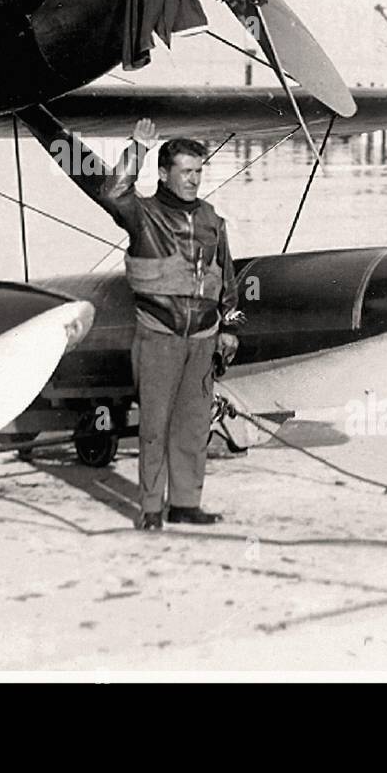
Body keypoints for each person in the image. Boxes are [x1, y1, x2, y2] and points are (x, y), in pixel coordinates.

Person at [95, 118, 240, 531]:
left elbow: (226, 279)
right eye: (186, 172)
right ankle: (150, 509)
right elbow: (111, 194)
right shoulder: (143, 215)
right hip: (158, 335)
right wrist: (136, 149)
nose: (194, 180)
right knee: (154, 427)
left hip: (203, 337)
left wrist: (229, 328)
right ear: (163, 173)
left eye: (198, 172)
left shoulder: (213, 221)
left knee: (193, 426)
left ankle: (185, 504)